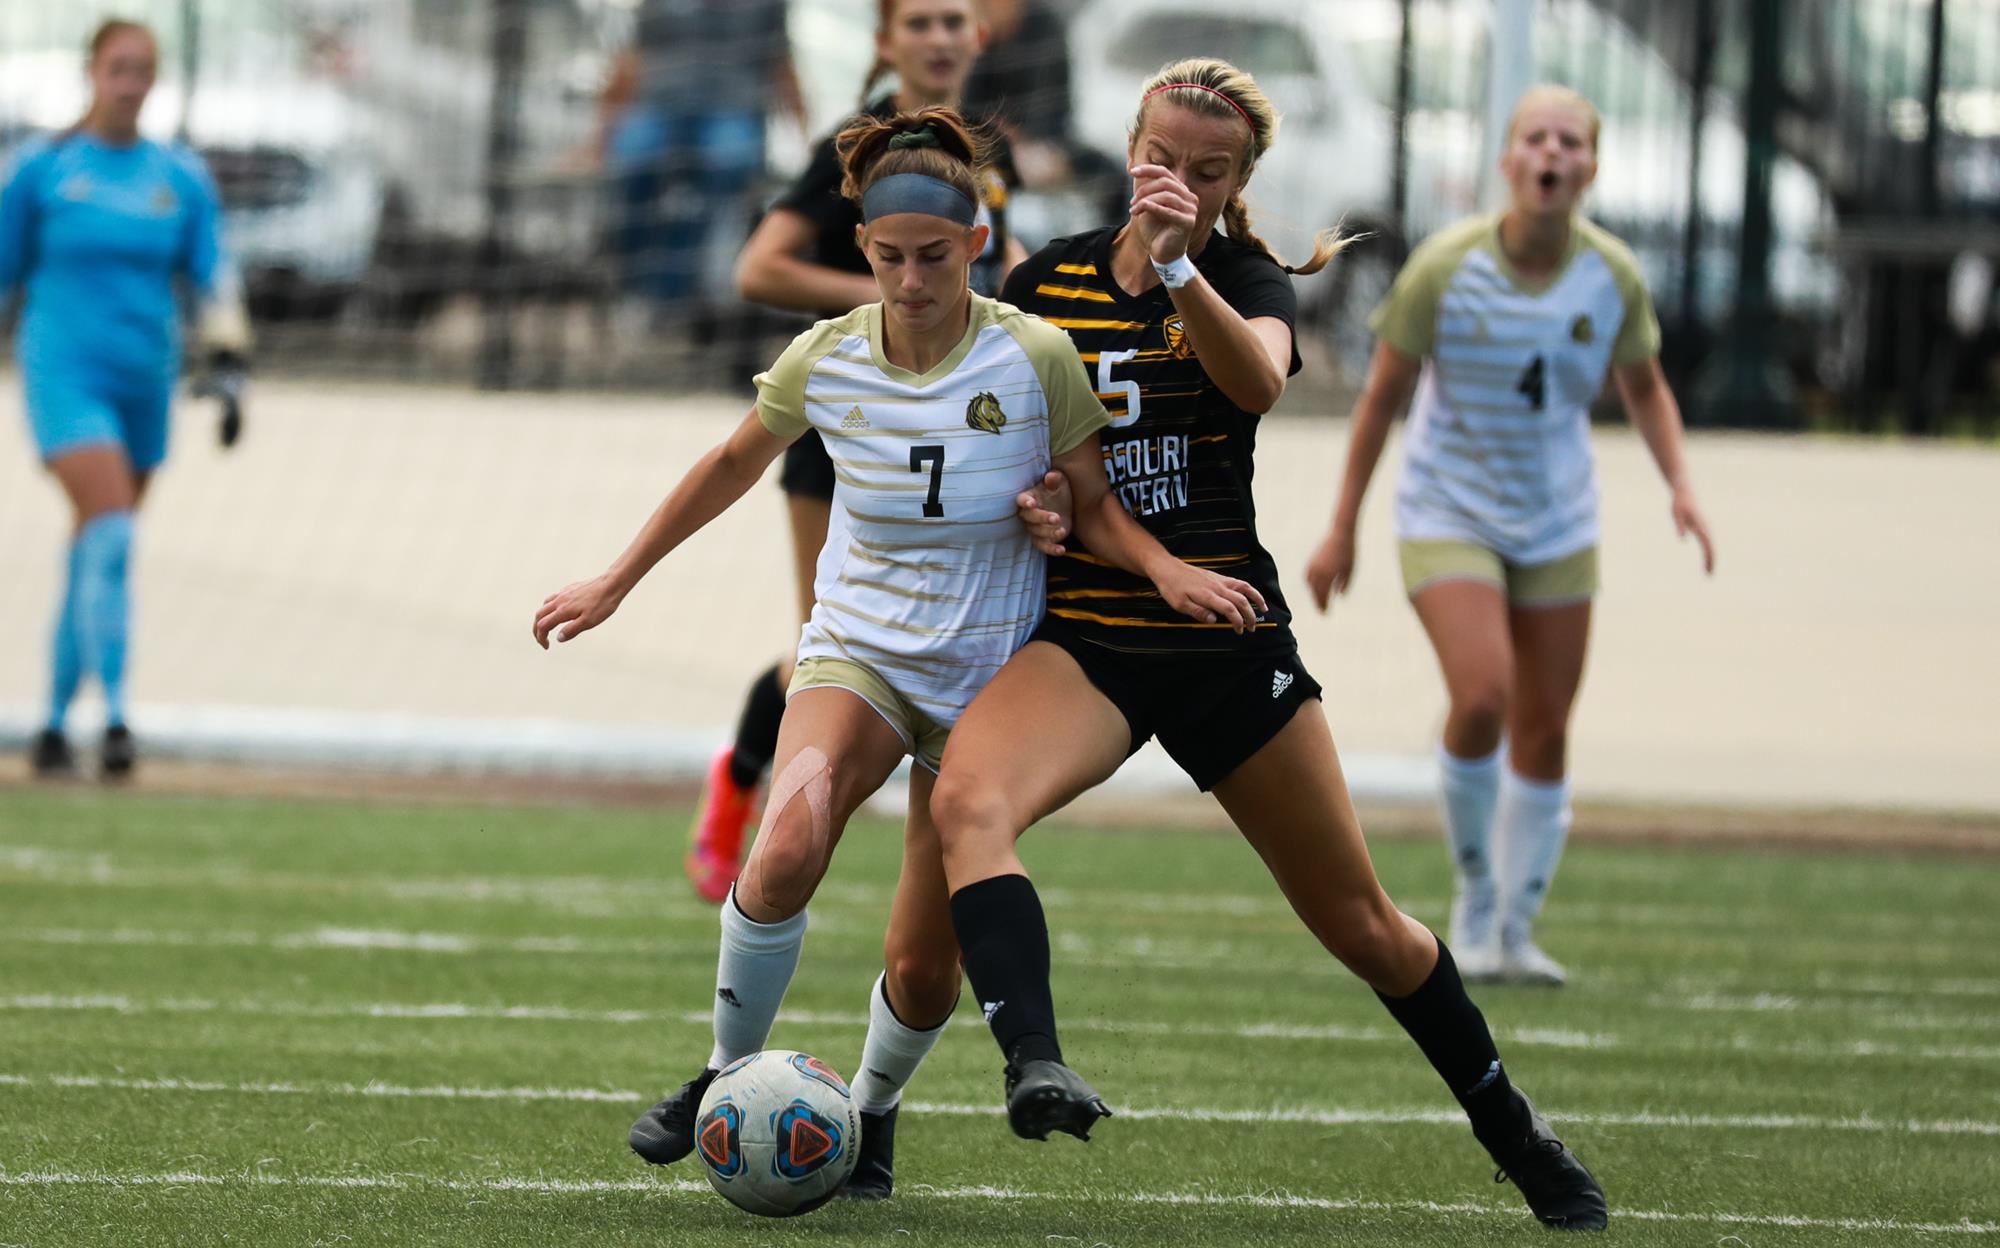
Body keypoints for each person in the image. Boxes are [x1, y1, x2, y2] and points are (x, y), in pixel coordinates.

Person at [922, 60, 1609, 1229]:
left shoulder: (1240, 277)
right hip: (1090, 635)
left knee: (1363, 926)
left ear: (1239, 182)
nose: (1178, 183)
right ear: (1128, 145)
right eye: (1162, 159)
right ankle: (1031, 1062)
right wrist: (1035, 504)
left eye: (1209, 170)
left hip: (1229, 644)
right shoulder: (1048, 281)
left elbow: (1254, 382)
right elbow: (1026, 455)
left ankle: (1511, 1127)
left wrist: (1185, 265)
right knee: (963, 806)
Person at [533, 106, 1258, 1201]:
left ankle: (868, 1117)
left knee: (924, 965)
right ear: (862, 252)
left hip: (986, 681)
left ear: (975, 247)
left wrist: (1163, 568)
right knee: (786, 840)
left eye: (932, 256)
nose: (909, 280)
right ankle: (723, 1076)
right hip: (857, 657)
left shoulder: (1033, 357)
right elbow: (725, 468)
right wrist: (613, 580)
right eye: (886, 259)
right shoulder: (824, 357)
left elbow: (1092, 504)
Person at [1305, 84, 1716, 988]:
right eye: (1536, 138)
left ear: (1590, 167)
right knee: (1484, 694)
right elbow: (1382, 396)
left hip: (1559, 519)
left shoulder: (1610, 274)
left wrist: (1680, 486)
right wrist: (1342, 529)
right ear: (1508, 161)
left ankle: (1514, 928)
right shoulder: (1449, 266)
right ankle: (1474, 893)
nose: (1552, 155)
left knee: (1546, 726)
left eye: (1571, 141)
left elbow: (1645, 387)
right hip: (1448, 511)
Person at [686, 0, 1027, 904]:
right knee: (820, 652)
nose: (940, 37)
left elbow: (1012, 272)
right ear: (885, 44)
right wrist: (892, 292)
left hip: (960, 438)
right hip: (850, 440)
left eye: (955, 20)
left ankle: (929, 870)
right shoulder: (850, 147)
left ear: (978, 37)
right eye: (918, 23)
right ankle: (739, 798)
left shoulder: (992, 155)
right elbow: (759, 268)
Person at [0, 19, 250, 780]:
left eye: (143, 69)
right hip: (63, 373)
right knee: (110, 534)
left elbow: (214, 276)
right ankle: (114, 718)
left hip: (145, 380)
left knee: (91, 550)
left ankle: (49, 725)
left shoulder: (178, 178)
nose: (130, 82)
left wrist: (232, 364)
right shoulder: (42, 171)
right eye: (118, 68)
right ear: (92, 73)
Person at [597, 0, 803, 313]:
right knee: (633, 160)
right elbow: (632, 59)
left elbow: (780, 62)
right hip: (658, 106)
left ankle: (685, 291)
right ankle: (636, 282)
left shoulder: (766, 5)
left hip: (733, 107)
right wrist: (599, 136)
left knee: (728, 163)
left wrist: (804, 134)